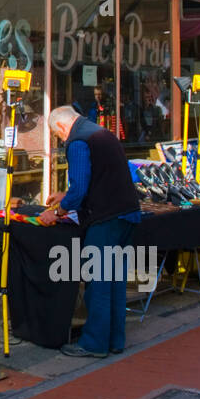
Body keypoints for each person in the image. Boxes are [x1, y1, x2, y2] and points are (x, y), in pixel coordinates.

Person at [39, 105, 141, 358]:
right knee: (115, 281)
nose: (61, 140)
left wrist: (58, 211)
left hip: (105, 217)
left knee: (98, 283)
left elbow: (80, 187)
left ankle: (94, 343)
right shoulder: (101, 132)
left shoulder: (78, 141)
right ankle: (115, 339)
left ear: (62, 127)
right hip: (126, 213)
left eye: (57, 135)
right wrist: (66, 196)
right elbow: (100, 178)